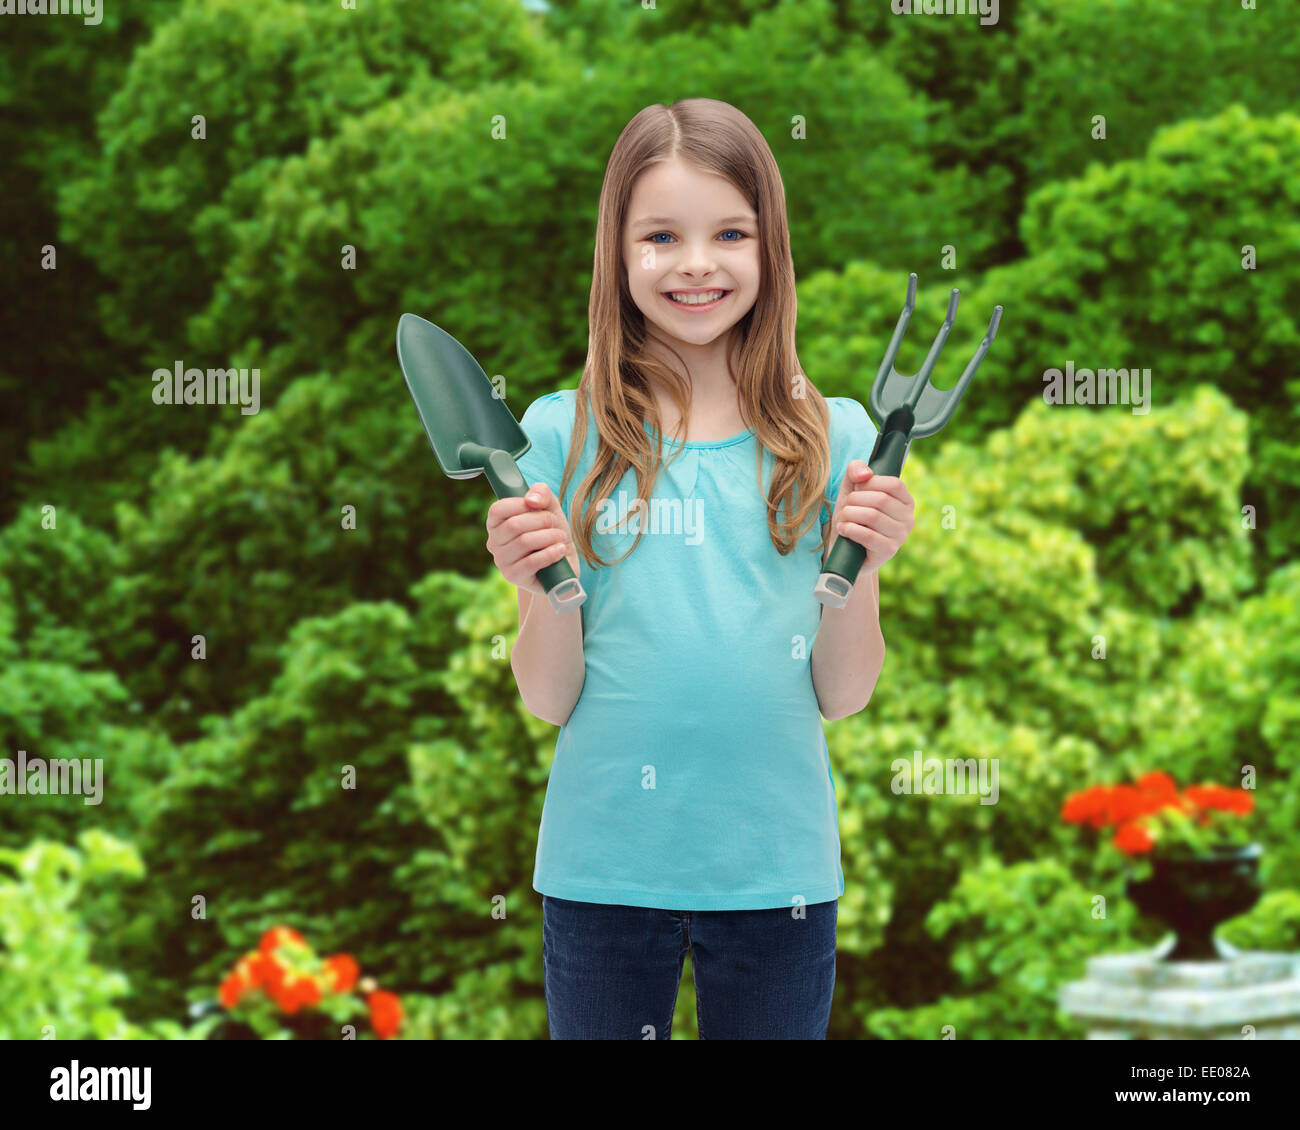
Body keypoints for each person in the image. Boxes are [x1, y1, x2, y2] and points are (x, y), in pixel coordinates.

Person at [486, 98, 915, 1039]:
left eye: (730, 232)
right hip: (602, 869)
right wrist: (535, 585)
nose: (695, 263)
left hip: (779, 876)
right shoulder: (559, 437)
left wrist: (868, 559)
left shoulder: (837, 438)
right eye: (660, 236)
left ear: (771, 250)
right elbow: (550, 699)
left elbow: (843, 692)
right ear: (618, 253)